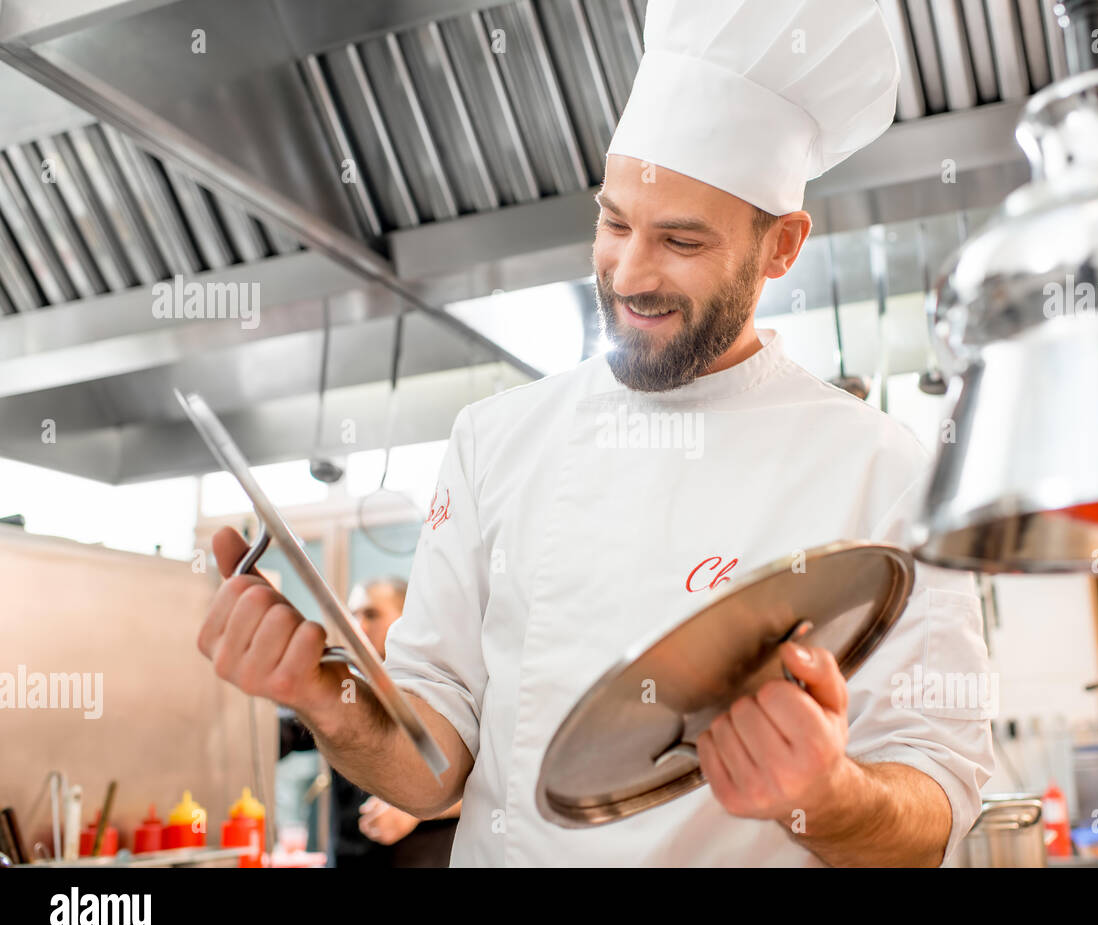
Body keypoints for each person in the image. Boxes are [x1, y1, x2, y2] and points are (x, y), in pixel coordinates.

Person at [197, 0, 995, 866]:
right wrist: (323, 696)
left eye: (682, 240)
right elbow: (430, 769)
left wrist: (830, 795)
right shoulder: (494, 440)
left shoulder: (884, 468)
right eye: (614, 223)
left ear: (782, 247)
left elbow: (937, 798)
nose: (631, 273)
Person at [279, 578, 459, 867]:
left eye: (371, 614)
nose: (358, 626)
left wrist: (418, 808)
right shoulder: (346, 689)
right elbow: (289, 729)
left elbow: (489, 786)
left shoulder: (445, 689)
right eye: (353, 614)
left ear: (408, 618)